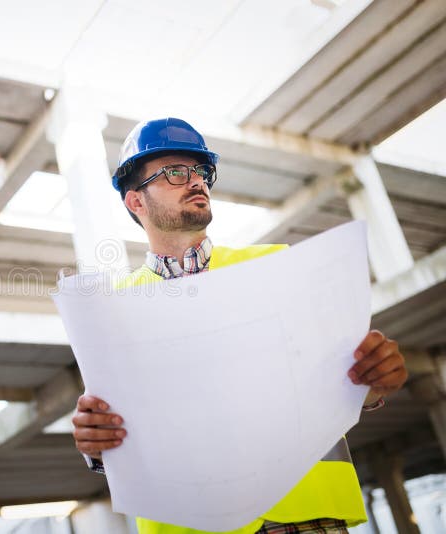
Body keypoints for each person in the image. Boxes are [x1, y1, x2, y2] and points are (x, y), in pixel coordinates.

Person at [71, 118, 409, 534]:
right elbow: (114, 426)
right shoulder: (114, 311)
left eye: (201, 172)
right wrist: (95, 443)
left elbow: (337, 382)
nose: (196, 181)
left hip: (306, 515)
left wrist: (373, 380)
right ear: (135, 203)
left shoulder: (278, 266)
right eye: (176, 172)